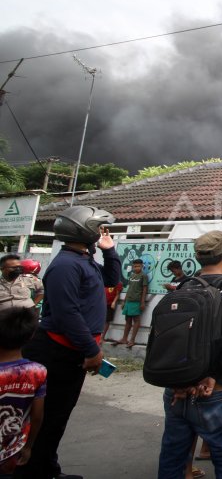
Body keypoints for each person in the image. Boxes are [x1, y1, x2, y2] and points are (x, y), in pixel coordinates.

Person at [14, 205, 120, 479]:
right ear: (83, 230)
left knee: (58, 416)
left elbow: (111, 279)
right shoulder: (66, 265)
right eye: (98, 228)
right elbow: (66, 314)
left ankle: (46, 467)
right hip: (57, 352)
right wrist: (91, 349)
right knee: (47, 417)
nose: (101, 232)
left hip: (71, 352)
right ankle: (33, 470)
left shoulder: (82, 260)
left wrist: (109, 250)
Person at [157, 230, 222, 479]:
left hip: (179, 391)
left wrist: (178, 382)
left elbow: (169, 337)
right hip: (218, 391)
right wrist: (212, 374)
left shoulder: (185, 285)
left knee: (173, 460)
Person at [0, 307, 46, 477]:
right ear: (30, 336)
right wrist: (28, 446)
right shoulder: (37, 371)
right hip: (12, 452)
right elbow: (37, 416)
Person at [115, 258, 149, 348]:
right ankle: (124, 339)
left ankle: (132, 340)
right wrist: (124, 301)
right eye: (134, 266)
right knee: (128, 321)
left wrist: (142, 302)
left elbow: (145, 289)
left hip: (136, 301)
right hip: (128, 301)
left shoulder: (143, 276)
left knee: (136, 320)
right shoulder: (132, 276)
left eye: (138, 266)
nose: (136, 268)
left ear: (142, 266)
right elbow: (129, 289)